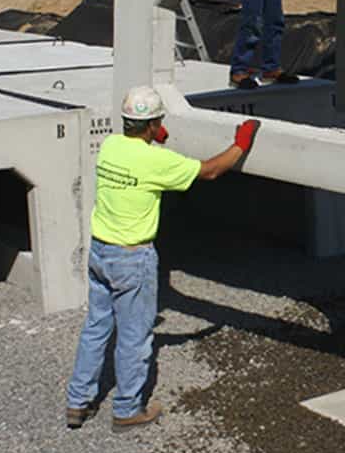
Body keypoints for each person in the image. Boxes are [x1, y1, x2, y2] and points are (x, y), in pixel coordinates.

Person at [66, 85, 260, 432]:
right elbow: (211, 170)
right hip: (131, 258)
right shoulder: (156, 161)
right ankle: (127, 410)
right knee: (134, 337)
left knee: (96, 328)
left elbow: (139, 158)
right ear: (154, 124)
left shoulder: (110, 146)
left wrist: (154, 136)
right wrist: (241, 143)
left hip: (100, 252)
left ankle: (77, 402)